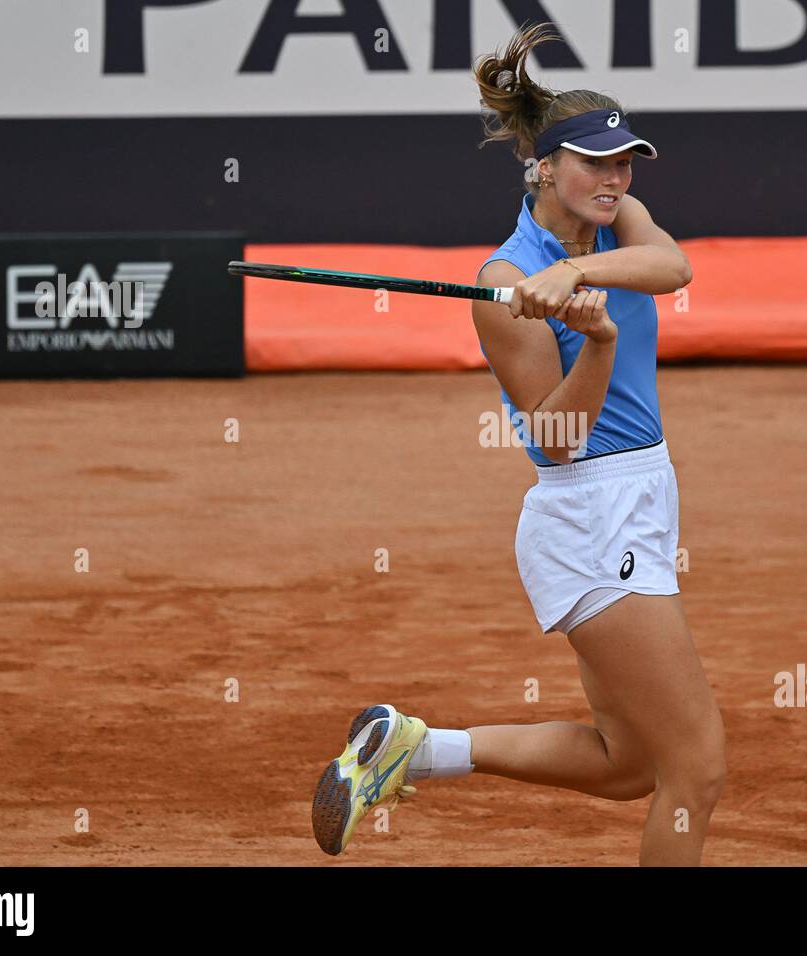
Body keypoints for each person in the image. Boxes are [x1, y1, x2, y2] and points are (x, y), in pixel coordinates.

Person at [311, 22, 725, 867]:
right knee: (697, 767)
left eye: (625, 163)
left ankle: (416, 749)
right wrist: (598, 343)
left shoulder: (617, 220)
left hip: (645, 497)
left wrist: (578, 275)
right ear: (545, 168)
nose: (614, 179)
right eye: (595, 164)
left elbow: (675, 268)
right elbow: (558, 438)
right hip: (588, 514)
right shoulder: (502, 284)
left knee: (628, 766)